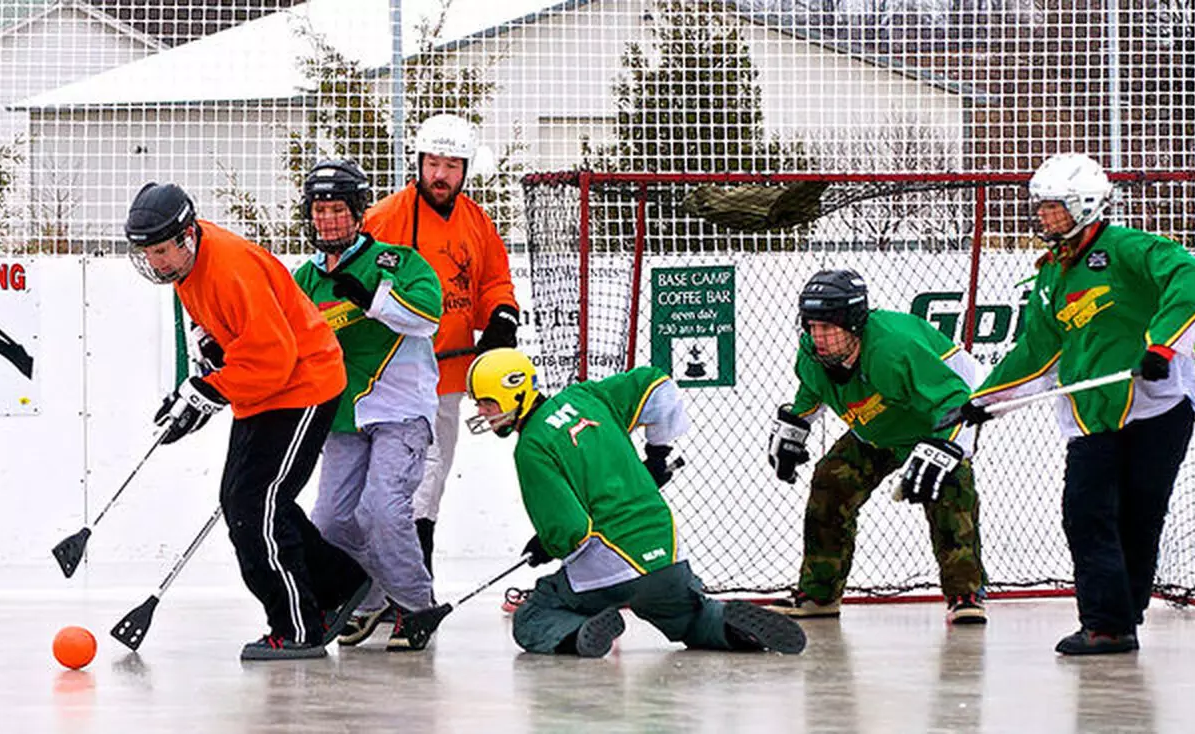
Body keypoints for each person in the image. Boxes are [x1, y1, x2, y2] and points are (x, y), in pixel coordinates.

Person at [954, 153, 1195, 655]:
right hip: (1091, 416)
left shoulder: (1129, 249)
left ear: (1087, 206)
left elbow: (1194, 282)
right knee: (1085, 511)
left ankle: (1121, 620)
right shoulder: (1051, 277)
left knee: (1140, 515)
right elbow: (1036, 351)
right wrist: (982, 401)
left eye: (1054, 208)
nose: (1043, 218)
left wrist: (1162, 346)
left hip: (1158, 410)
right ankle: (1104, 622)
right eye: (1041, 209)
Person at [124, 182, 370, 661]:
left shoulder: (231, 268)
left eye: (160, 251)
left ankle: (298, 626)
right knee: (243, 500)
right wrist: (202, 383)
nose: (155, 262)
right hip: (264, 391)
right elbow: (228, 336)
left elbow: (273, 359)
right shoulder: (187, 267)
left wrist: (209, 391)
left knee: (256, 505)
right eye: (147, 253)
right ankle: (340, 582)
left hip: (303, 385)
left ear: (187, 235)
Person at [466, 347, 807, 657]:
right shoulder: (588, 396)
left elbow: (571, 531)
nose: (482, 412)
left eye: (488, 403)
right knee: (688, 617)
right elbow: (657, 383)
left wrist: (546, 545)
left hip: (611, 566)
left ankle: (581, 631)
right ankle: (726, 626)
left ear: (517, 392)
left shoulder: (531, 448)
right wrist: (657, 455)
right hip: (667, 552)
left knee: (534, 614)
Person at [765, 269, 987, 625]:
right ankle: (819, 595)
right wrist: (796, 426)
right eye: (811, 326)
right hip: (875, 432)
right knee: (830, 480)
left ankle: (965, 594)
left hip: (933, 424)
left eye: (828, 328)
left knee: (950, 490)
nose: (817, 337)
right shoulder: (811, 353)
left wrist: (946, 449)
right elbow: (812, 391)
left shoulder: (893, 348)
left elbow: (953, 399)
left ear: (853, 324)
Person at [293, 160, 444, 650]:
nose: (329, 219)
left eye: (338, 209)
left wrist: (372, 299)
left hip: (400, 412)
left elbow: (427, 317)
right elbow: (284, 335)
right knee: (331, 521)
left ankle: (416, 606)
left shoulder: (396, 261)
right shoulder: (304, 278)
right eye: (320, 209)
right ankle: (368, 597)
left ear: (359, 213)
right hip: (340, 416)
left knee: (383, 510)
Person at [363, 113, 519, 574]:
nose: (440, 175)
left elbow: (493, 281)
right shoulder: (386, 218)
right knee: (396, 482)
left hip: (449, 376)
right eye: (433, 162)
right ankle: (383, 580)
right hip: (394, 377)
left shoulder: (476, 221)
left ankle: (411, 585)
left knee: (430, 483)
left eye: (452, 165)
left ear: (465, 169)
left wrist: (501, 317)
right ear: (419, 161)